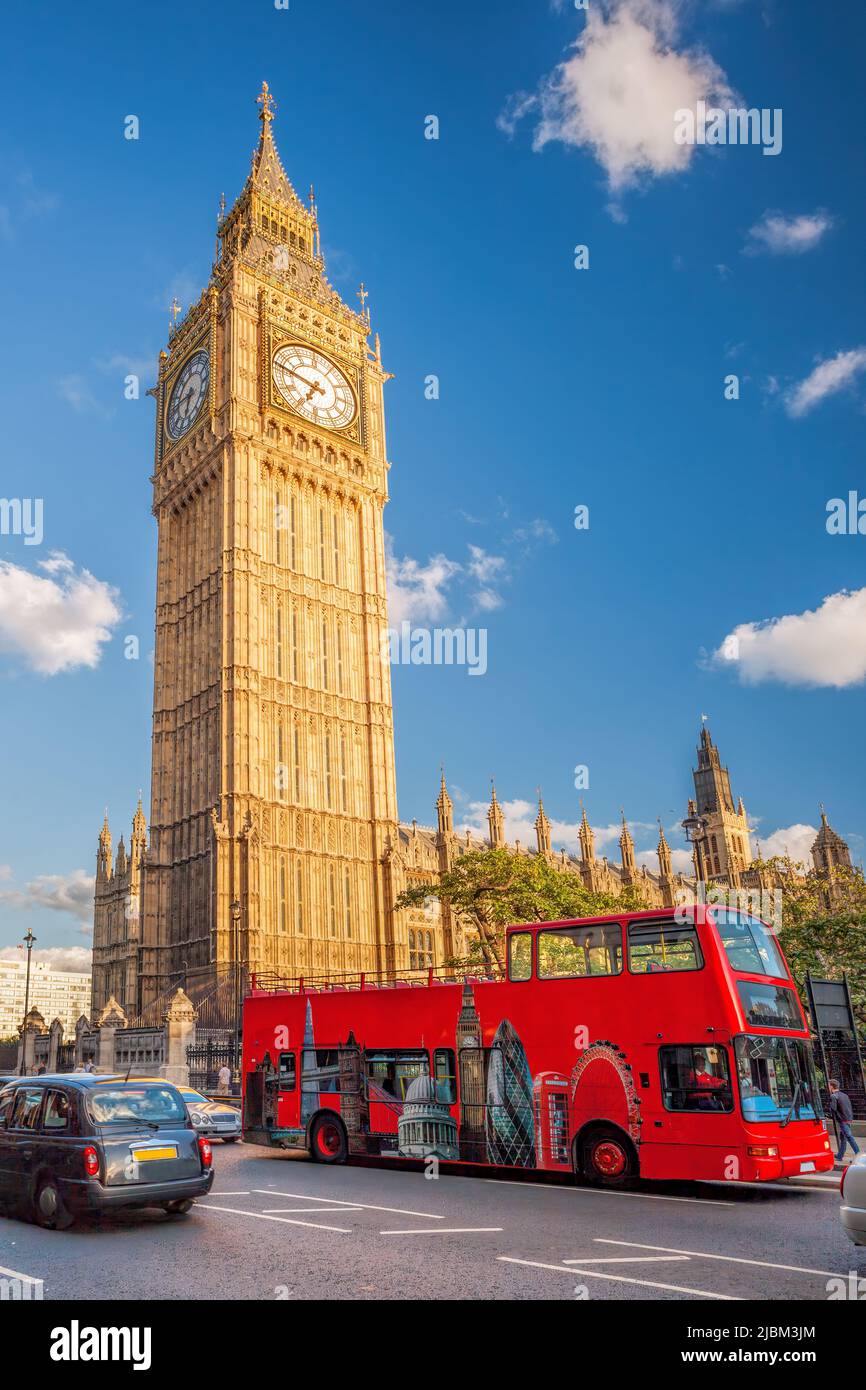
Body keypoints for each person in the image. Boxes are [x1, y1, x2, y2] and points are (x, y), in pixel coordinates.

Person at [828, 1079, 861, 1162]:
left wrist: (829, 1116)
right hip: (848, 1119)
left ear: (831, 1086)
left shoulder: (833, 1096)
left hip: (842, 1120)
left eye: (828, 1085)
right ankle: (840, 1155)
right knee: (843, 1138)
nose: (827, 1087)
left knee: (849, 1137)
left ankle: (859, 1156)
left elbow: (833, 1109)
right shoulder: (844, 1095)